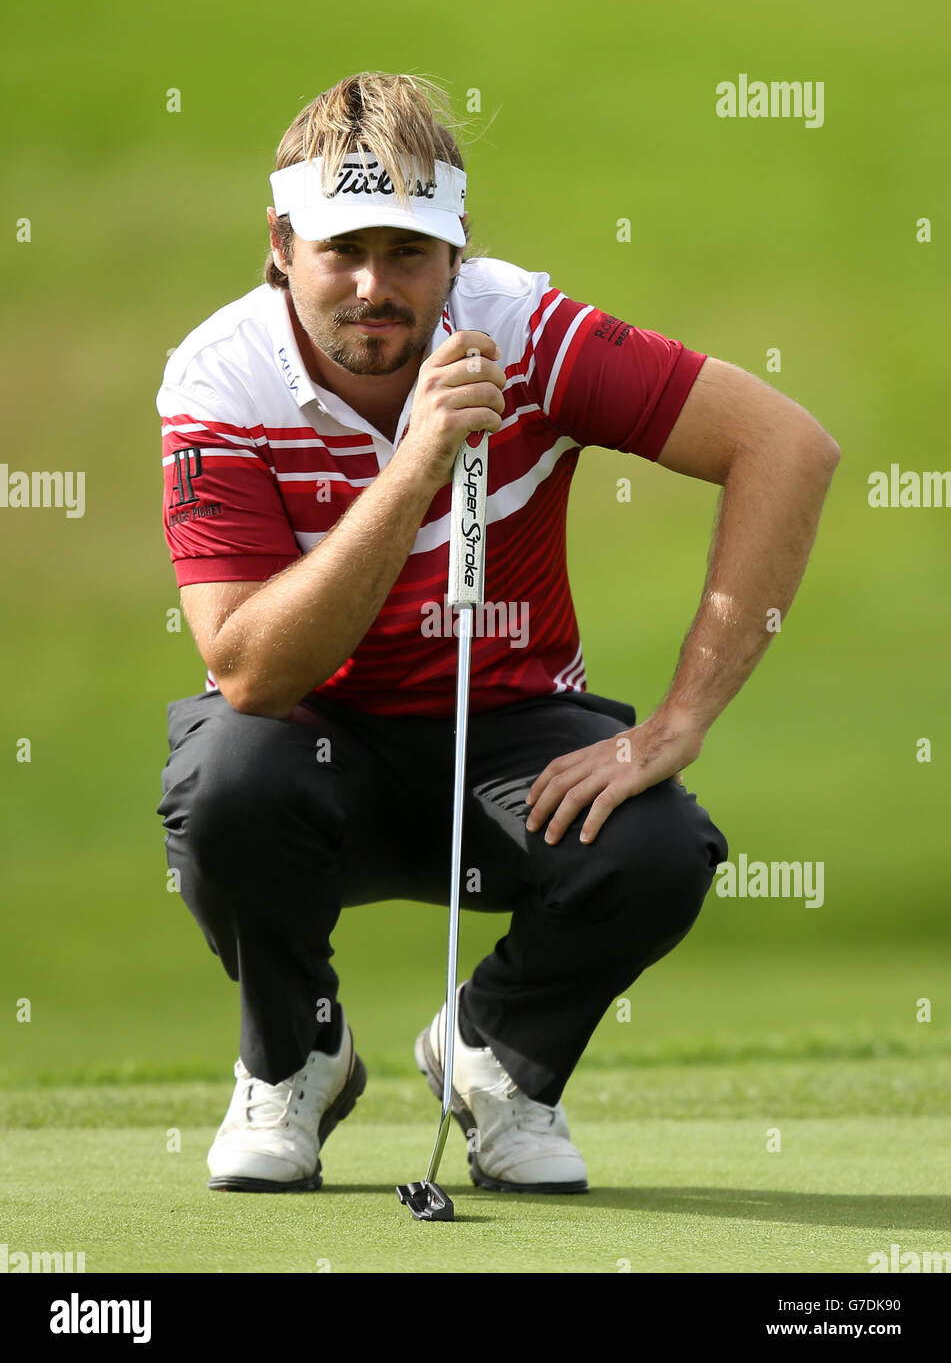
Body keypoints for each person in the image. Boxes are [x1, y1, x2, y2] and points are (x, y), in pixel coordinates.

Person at [156, 72, 839, 1196]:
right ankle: (296, 1056)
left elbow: (786, 445)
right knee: (226, 781)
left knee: (659, 847)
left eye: (409, 252)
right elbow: (252, 668)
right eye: (343, 249)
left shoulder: (525, 327)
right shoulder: (220, 379)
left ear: (458, 245)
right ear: (281, 243)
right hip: (306, 748)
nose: (376, 286)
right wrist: (420, 459)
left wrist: (677, 721)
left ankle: (497, 1059)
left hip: (506, 737)